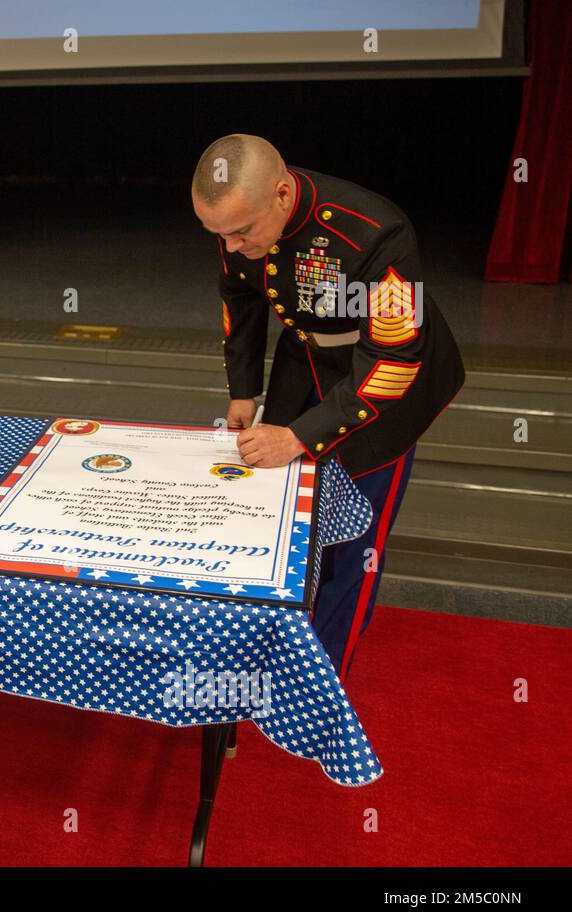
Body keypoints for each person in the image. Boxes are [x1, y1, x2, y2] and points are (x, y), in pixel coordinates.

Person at [191, 134, 465, 680]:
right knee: (289, 523)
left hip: (386, 376)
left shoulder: (375, 233)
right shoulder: (236, 222)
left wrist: (296, 437)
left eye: (242, 232)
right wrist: (243, 388)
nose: (233, 244)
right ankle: (276, 639)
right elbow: (240, 296)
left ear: (283, 194)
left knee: (354, 542)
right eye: (218, 233)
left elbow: (393, 359)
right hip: (306, 357)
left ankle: (322, 675)